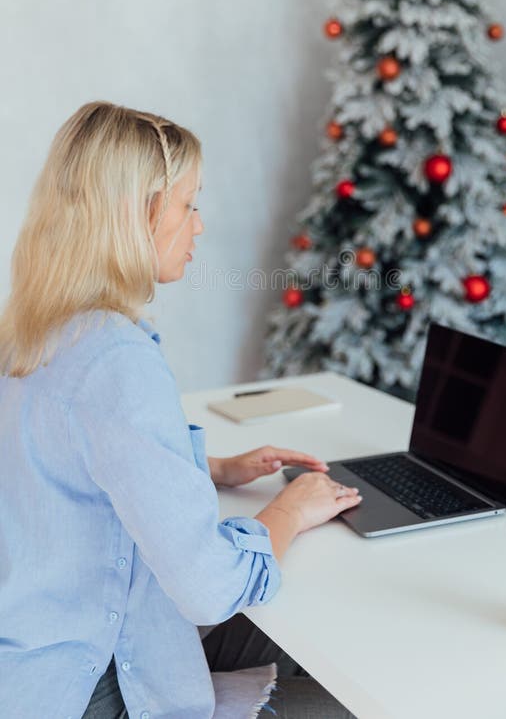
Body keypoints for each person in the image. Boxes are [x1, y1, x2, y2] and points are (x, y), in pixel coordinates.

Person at [0, 102, 361, 719]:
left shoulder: (29, 332)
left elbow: (65, 466)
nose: (199, 225)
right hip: (94, 690)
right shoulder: (116, 358)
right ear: (143, 212)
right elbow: (208, 588)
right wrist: (289, 510)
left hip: (28, 674)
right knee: (347, 695)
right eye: (188, 204)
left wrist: (213, 469)